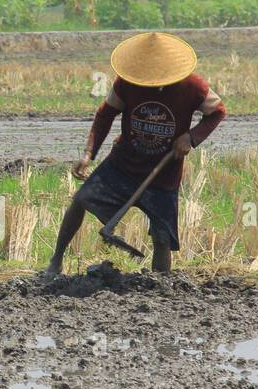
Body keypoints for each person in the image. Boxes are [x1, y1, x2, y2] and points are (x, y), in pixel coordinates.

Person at [45, 32, 226, 275]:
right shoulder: (127, 83)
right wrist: (89, 153)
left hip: (163, 173)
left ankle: (159, 284)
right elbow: (105, 114)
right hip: (123, 165)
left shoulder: (192, 87)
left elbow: (217, 112)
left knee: (162, 237)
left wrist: (191, 137)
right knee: (80, 200)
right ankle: (56, 260)